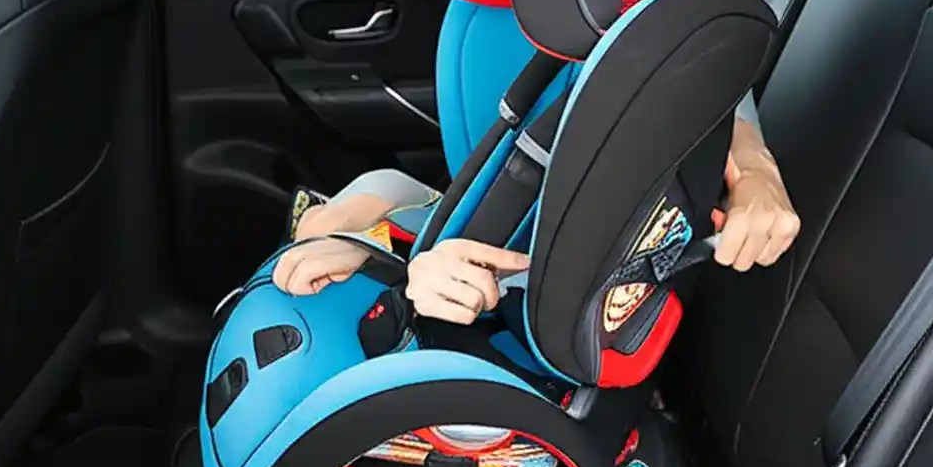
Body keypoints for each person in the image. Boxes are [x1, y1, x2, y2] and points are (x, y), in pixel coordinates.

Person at [272, 105, 799, 325]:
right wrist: (370, 231)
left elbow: (710, 85)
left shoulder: (647, 22)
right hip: (481, 230)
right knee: (320, 233)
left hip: (536, 293)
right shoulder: (485, 24)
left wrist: (754, 168)